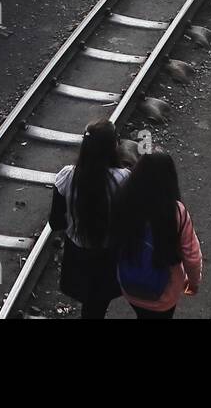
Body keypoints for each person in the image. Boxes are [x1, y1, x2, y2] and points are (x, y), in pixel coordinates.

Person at [49, 119, 130, 319]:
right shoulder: (123, 179)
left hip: (77, 254)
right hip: (108, 255)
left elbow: (56, 222)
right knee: (97, 305)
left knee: (89, 303)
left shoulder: (67, 177)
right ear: (113, 147)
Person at [112, 152, 203, 319]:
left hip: (129, 286)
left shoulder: (124, 201)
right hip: (164, 295)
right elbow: (192, 257)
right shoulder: (176, 212)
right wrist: (193, 283)